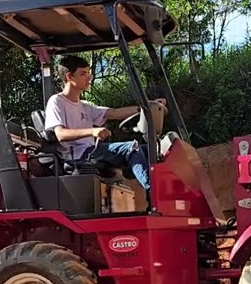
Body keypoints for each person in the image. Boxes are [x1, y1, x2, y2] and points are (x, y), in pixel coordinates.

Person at [43, 55, 166, 190]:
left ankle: (157, 196)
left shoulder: (85, 106)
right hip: (79, 156)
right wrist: (92, 131)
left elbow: (114, 113)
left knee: (150, 151)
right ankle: (155, 192)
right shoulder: (57, 101)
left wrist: (146, 107)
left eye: (88, 73)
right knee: (131, 147)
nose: (89, 78)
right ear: (69, 77)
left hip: (92, 151)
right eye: (83, 74)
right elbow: (60, 134)